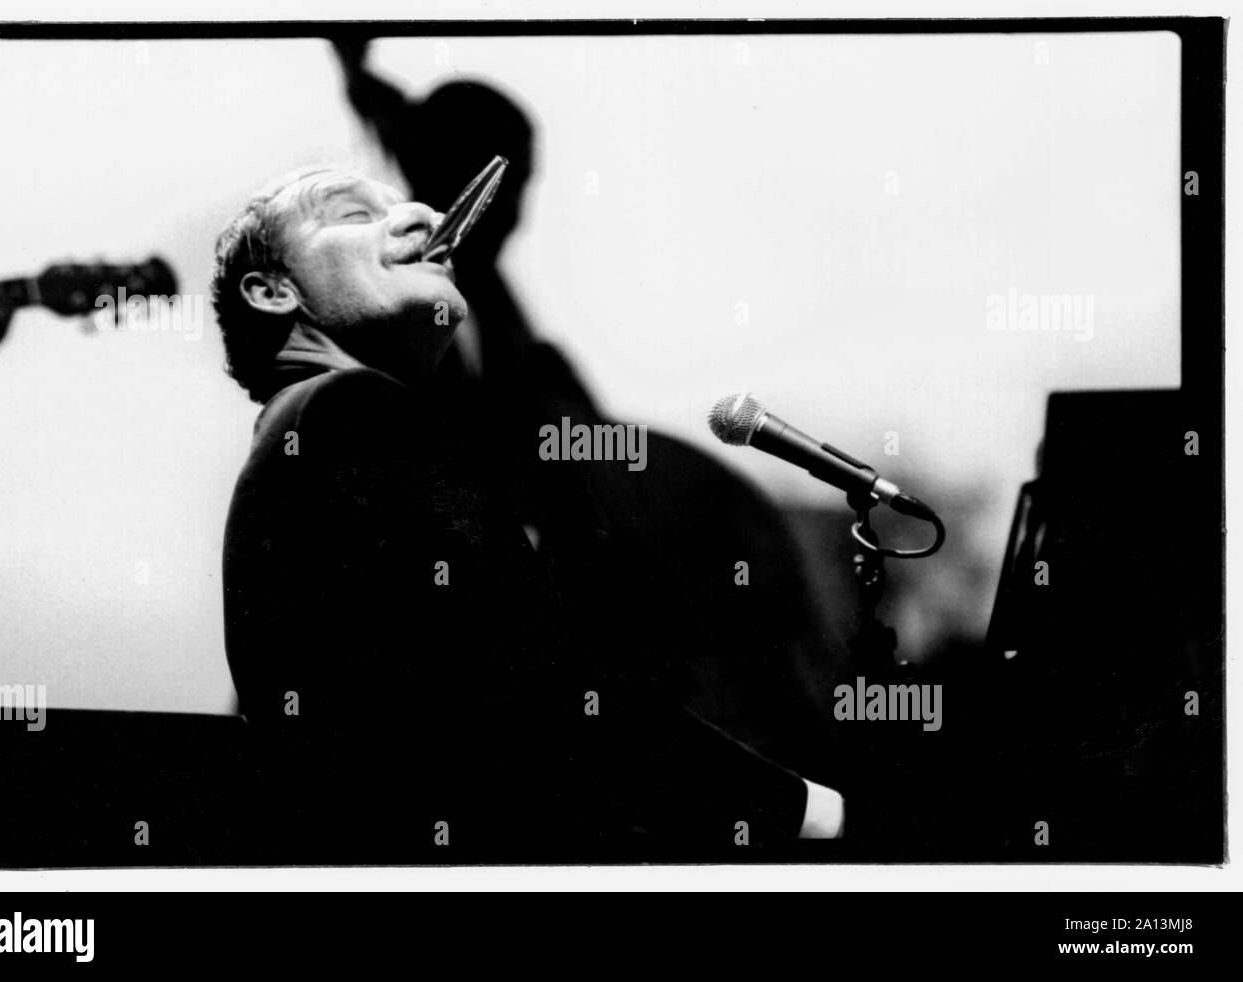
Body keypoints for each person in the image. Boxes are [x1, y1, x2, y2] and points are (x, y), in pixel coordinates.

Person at [213, 165, 843, 862]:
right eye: (353, 215)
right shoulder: (354, 408)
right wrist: (806, 809)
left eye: (408, 203)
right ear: (272, 292)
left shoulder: (308, 431)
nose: (425, 217)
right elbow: (547, 682)